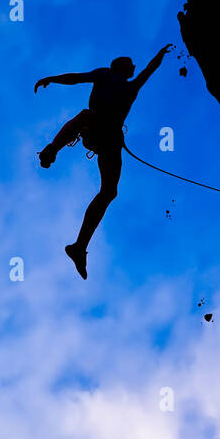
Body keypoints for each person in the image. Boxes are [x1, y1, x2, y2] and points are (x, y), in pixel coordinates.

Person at [35, 45, 175, 277]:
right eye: (130, 63)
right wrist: (53, 78)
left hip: (109, 140)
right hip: (95, 127)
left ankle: (79, 247)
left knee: (110, 192)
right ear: (119, 66)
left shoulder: (132, 87)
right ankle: (51, 149)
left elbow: (149, 70)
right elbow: (77, 78)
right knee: (86, 115)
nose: (133, 66)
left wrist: (160, 55)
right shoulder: (106, 75)